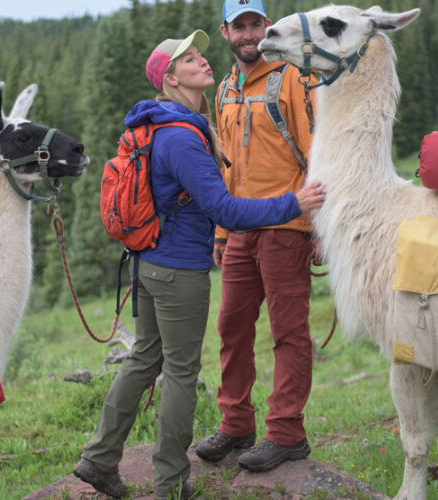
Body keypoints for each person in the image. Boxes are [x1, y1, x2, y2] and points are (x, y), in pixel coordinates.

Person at [73, 29, 325, 500]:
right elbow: (225, 210)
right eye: (189, 59)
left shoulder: (156, 125)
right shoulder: (183, 138)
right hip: (179, 274)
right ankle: (170, 482)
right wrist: (295, 203)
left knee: (143, 358)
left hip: (148, 263)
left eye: (200, 55)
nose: (202, 61)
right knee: (180, 372)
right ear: (170, 79)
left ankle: (99, 458)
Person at [194, 0, 318, 473]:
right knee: (232, 329)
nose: (249, 35)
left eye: (255, 25)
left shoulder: (293, 78)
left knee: (289, 333)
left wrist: (318, 227)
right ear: (225, 31)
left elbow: (315, 153)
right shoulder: (225, 87)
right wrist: (222, 232)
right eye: (239, 26)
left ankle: (287, 434)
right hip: (240, 230)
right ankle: (236, 425)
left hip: (287, 227)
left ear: (268, 26)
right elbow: (226, 168)